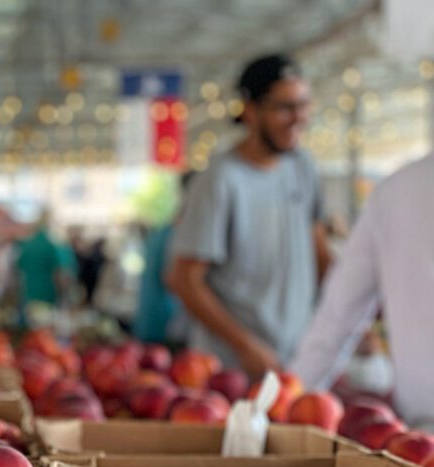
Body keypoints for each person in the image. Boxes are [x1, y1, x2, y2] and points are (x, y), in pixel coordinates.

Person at [168, 54, 331, 377]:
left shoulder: (303, 168)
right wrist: (246, 347)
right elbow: (185, 280)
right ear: (250, 110)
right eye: (285, 107)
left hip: (296, 362)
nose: (298, 118)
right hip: (231, 371)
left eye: (303, 105)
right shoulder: (220, 180)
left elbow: (319, 251)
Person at [291, 152, 434, 425]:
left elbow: (337, 315)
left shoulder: (397, 191)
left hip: (422, 425)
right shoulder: (396, 192)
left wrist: (287, 400)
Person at [134, 172, 194, 345]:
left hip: (149, 322)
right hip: (165, 327)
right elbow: (173, 281)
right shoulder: (178, 236)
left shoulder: (161, 232)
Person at [13, 211, 77, 325]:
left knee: (33, 329)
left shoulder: (27, 246)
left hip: (29, 295)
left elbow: (17, 272)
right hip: (47, 296)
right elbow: (59, 274)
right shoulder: (51, 246)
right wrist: (64, 295)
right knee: (44, 329)